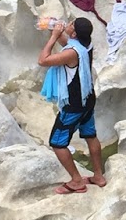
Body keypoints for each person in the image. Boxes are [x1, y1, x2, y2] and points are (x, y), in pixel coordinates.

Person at [37, 18, 107, 195]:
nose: (67, 24)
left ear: (74, 33)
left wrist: (53, 37)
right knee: (90, 135)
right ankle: (98, 176)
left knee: (57, 143)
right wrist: (56, 30)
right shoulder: (86, 44)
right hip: (87, 98)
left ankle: (76, 181)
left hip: (74, 104)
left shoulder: (72, 53)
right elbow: (68, 45)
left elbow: (43, 60)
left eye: (71, 25)